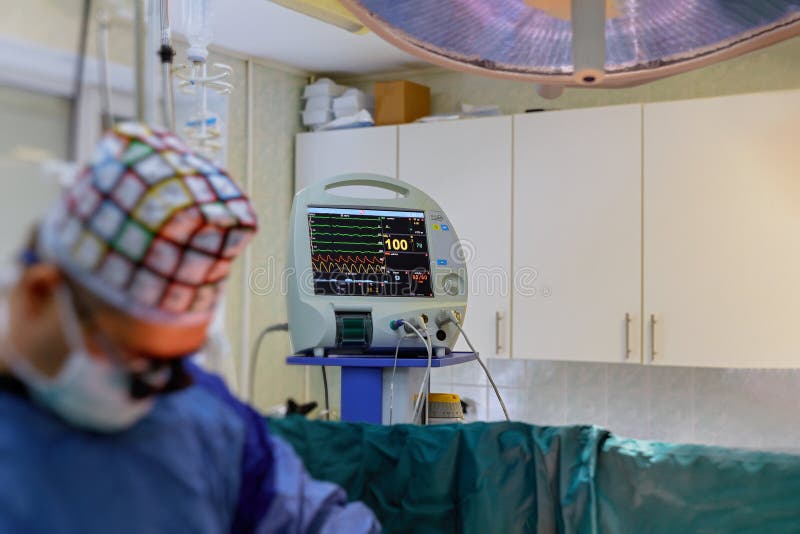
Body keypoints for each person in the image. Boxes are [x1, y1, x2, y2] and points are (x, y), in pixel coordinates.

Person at [0, 122, 380, 533]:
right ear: (40, 293)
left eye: (178, 361)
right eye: (139, 360)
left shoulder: (204, 418)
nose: (158, 390)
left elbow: (316, 520)